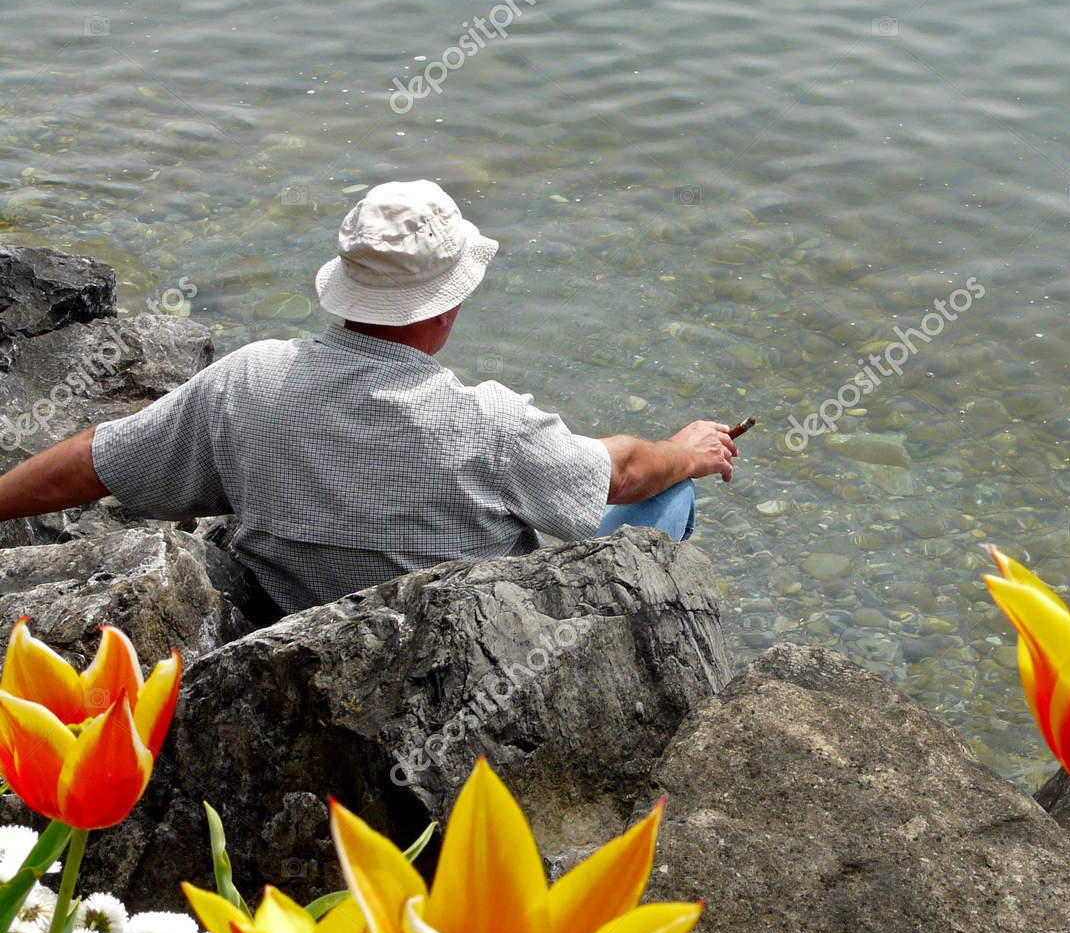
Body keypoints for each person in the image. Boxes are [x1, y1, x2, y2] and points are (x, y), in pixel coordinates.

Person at [0, 180, 737, 616]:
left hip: (297, 624)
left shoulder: (247, 379)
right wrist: (686, 451)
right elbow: (626, 474)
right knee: (667, 500)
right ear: (445, 309)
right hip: (471, 641)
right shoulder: (491, 422)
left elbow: (97, 460)